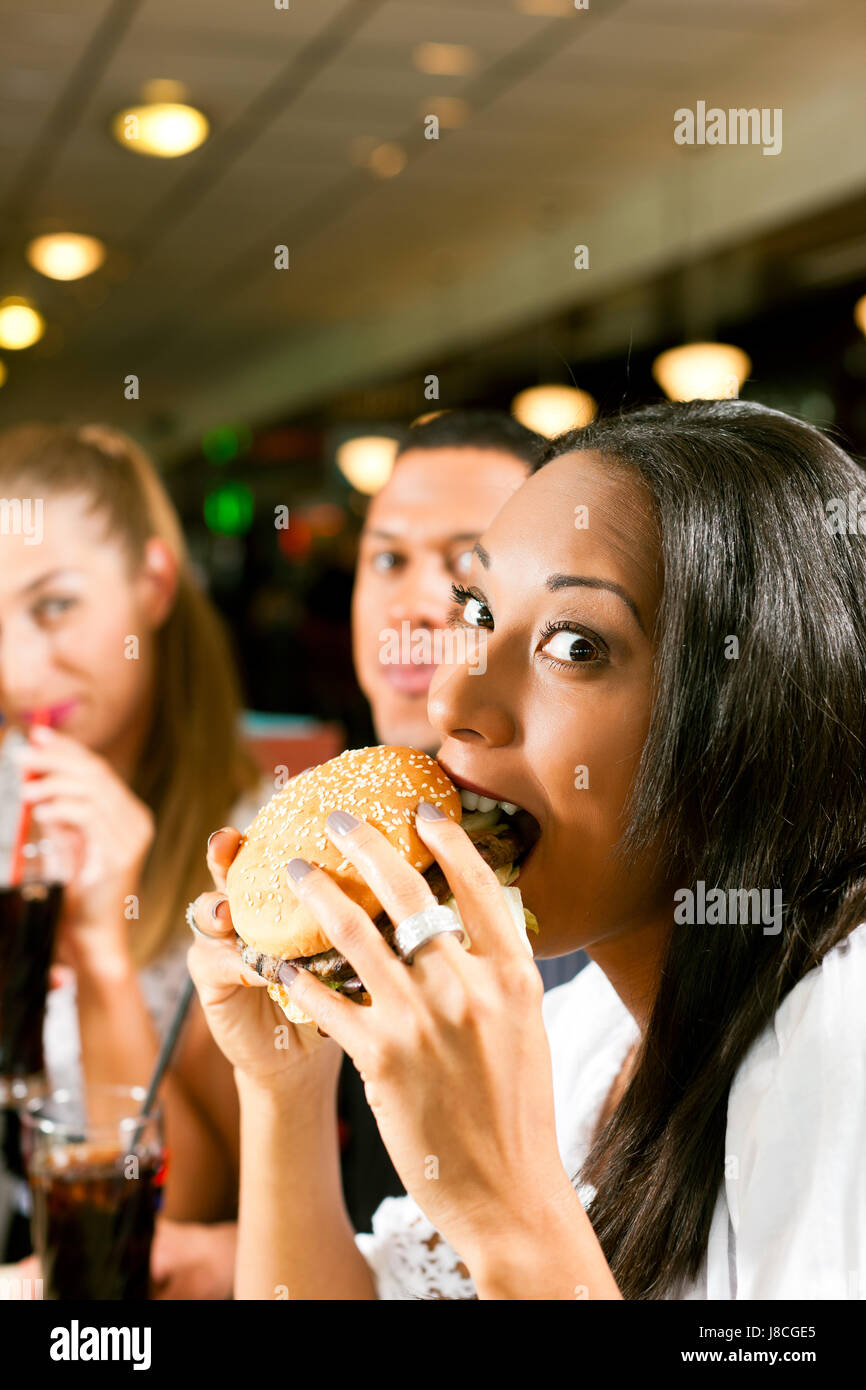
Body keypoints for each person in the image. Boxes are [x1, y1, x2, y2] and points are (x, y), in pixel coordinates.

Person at [188, 398, 866, 1299]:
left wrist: (513, 1215)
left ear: (751, 719)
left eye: (575, 643)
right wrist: (285, 1088)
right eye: (478, 608)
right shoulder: (583, 1035)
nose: (450, 699)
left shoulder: (842, 1059)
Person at [0, 423, 265, 1293]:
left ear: (152, 584)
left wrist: (104, 964)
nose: (20, 666)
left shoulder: (248, 844)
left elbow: (182, 1217)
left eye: (53, 606)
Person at [344, 409, 584, 1228]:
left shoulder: (575, 875)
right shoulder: (313, 842)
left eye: (461, 572)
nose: (412, 603)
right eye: (387, 559)